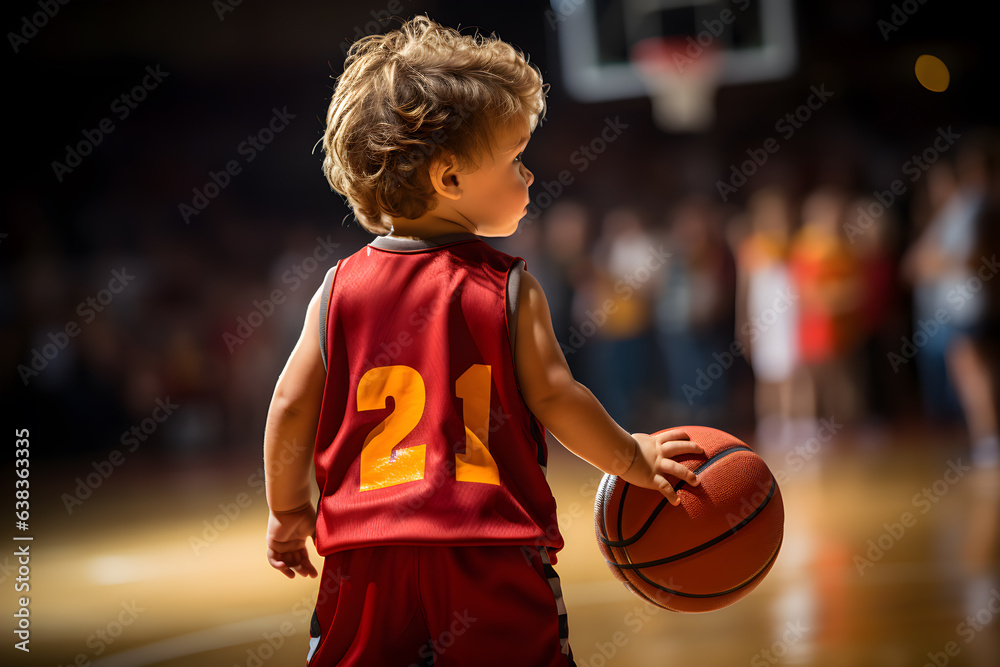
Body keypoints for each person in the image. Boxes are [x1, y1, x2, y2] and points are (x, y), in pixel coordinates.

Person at [262, 16, 703, 667]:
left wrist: (289, 508)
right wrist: (632, 458)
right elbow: (557, 397)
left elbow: (289, 407)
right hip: (486, 551)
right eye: (515, 160)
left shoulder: (336, 288)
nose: (529, 177)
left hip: (365, 563)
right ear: (448, 179)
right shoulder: (508, 286)